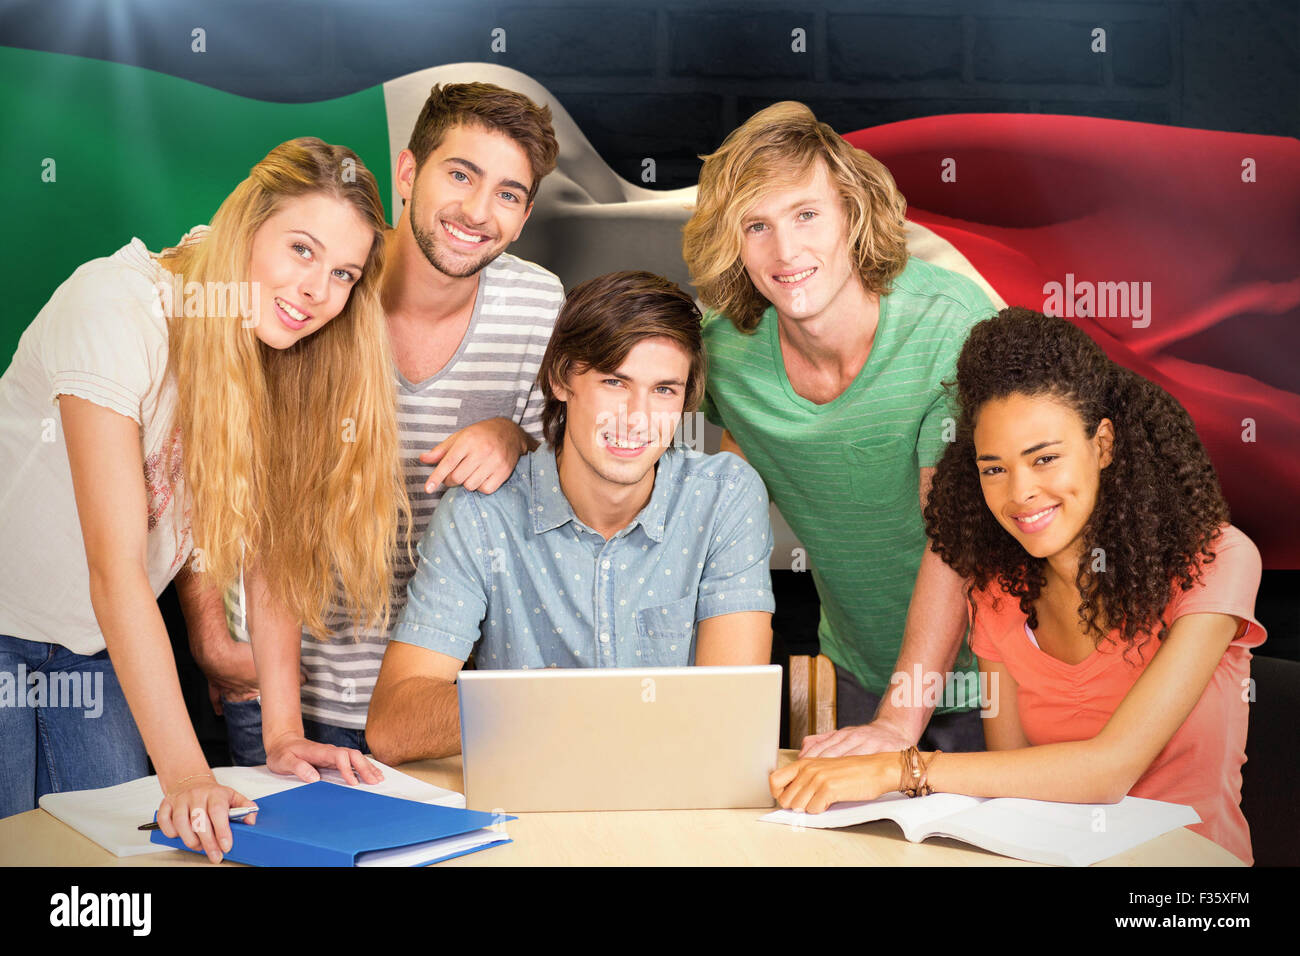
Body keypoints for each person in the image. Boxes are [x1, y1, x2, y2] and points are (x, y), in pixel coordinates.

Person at [0, 138, 407, 862]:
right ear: (247, 225)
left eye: (343, 273)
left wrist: (282, 732)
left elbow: (270, 546)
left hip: (89, 651)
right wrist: (186, 775)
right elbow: (115, 569)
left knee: (117, 862)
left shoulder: (274, 346)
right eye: (302, 249)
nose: (318, 291)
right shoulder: (114, 307)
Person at [771, 307, 1265, 865]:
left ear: (1103, 444)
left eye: (1045, 459)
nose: (1020, 493)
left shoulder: (1216, 559)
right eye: (994, 468)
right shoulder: (999, 586)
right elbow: (1012, 781)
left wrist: (898, 768)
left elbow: (1109, 769)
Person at [189, 82, 565, 770]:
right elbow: (239, 484)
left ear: (525, 214)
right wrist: (236, 669)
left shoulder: (538, 305)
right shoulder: (319, 292)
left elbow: (555, 505)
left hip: (435, 705)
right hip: (284, 691)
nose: (478, 211)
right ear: (407, 172)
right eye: (460, 174)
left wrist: (517, 440)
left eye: (509, 194)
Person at [681, 101, 996, 757]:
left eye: (806, 214)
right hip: (851, 669)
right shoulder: (729, 356)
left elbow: (953, 539)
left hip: (998, 685)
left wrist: (897, 726)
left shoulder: (948, 324)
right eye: (757, 226)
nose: (786, 250)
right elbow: (734, 471)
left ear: (851, 212)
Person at [365, 271, 776, 763]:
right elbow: (391, 726)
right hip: (527, 819)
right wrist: (549, 704)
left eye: (664, 390)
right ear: (562, 379)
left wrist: (570, 710)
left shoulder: (723, 497)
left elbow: (729, 721)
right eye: (614, 382)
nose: (637, 417)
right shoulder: (481, 514)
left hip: (675, 811)